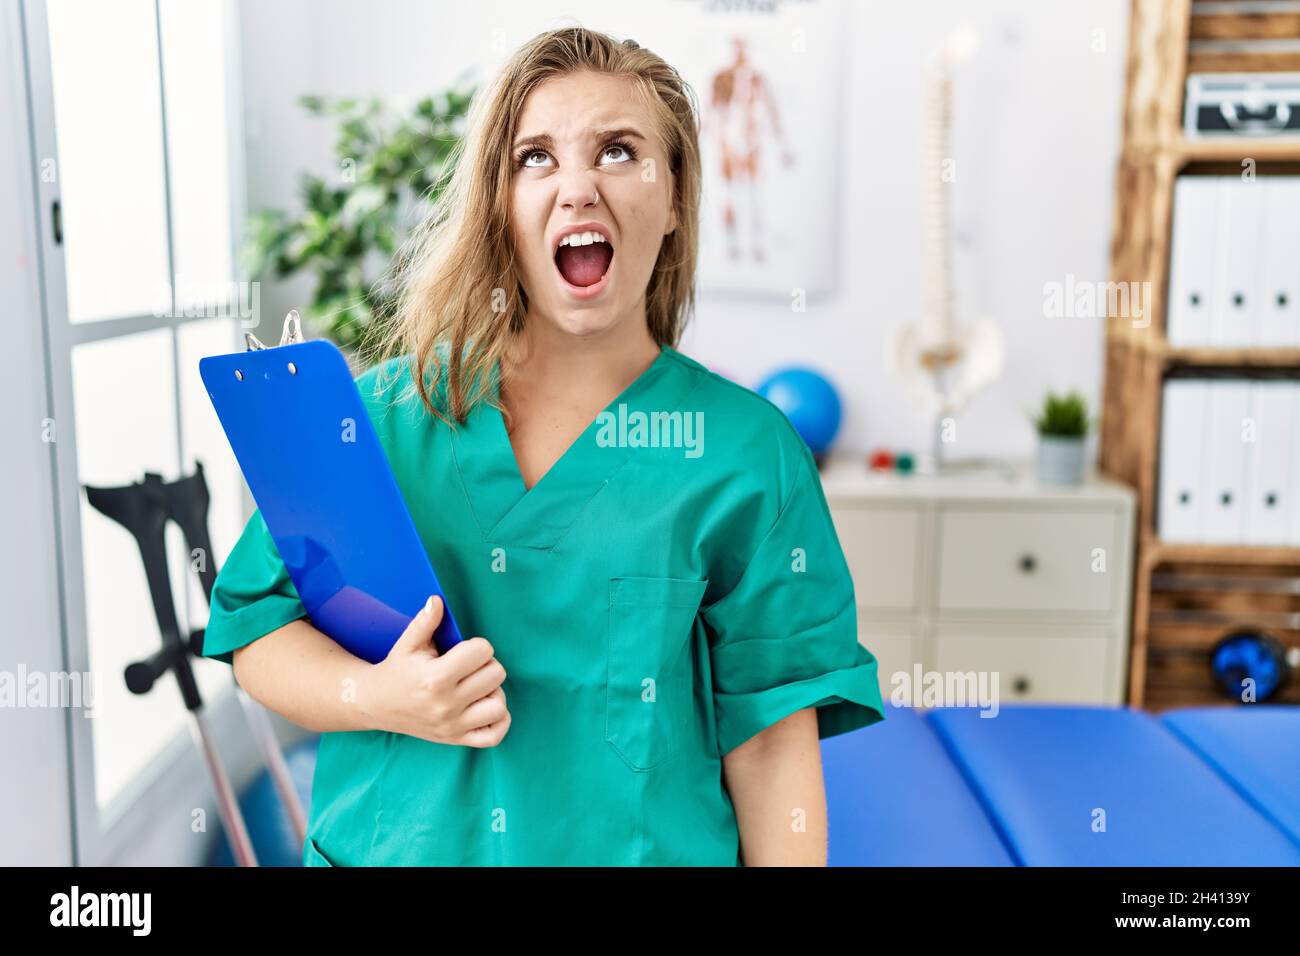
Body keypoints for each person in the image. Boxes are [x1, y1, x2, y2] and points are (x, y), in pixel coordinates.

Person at [203, 25, 884, 867]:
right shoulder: (375, 419)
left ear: (673, 202)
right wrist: (379, 696)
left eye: (620, 151)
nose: (578, 188)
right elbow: (257, 632)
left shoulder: (748, 457)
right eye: (536, 158)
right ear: (499, 202)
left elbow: (774, 746)